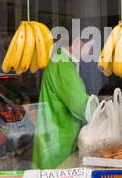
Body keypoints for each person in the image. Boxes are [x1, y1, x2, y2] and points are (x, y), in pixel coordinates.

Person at [32, 33, 89, 169]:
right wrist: (114, 113)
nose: (90, 54)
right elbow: (81, 106)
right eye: (90, 48)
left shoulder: (63, 61)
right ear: (79, 42)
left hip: (58, 142)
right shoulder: (62, 64)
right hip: (57, 147)